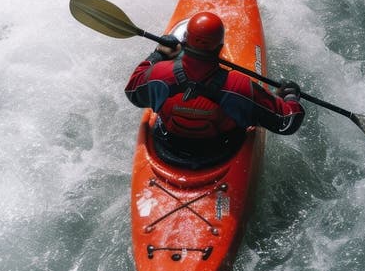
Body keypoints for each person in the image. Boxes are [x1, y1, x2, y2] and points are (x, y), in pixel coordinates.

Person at [125, 11, 305, 168]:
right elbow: (286, 122)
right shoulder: (239, 87)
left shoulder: (159, 74)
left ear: (185, 41)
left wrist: (159, 54)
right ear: (220, 47)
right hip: (219, 150)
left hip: (169, 147)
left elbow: (133, 90)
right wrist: (290, 95)